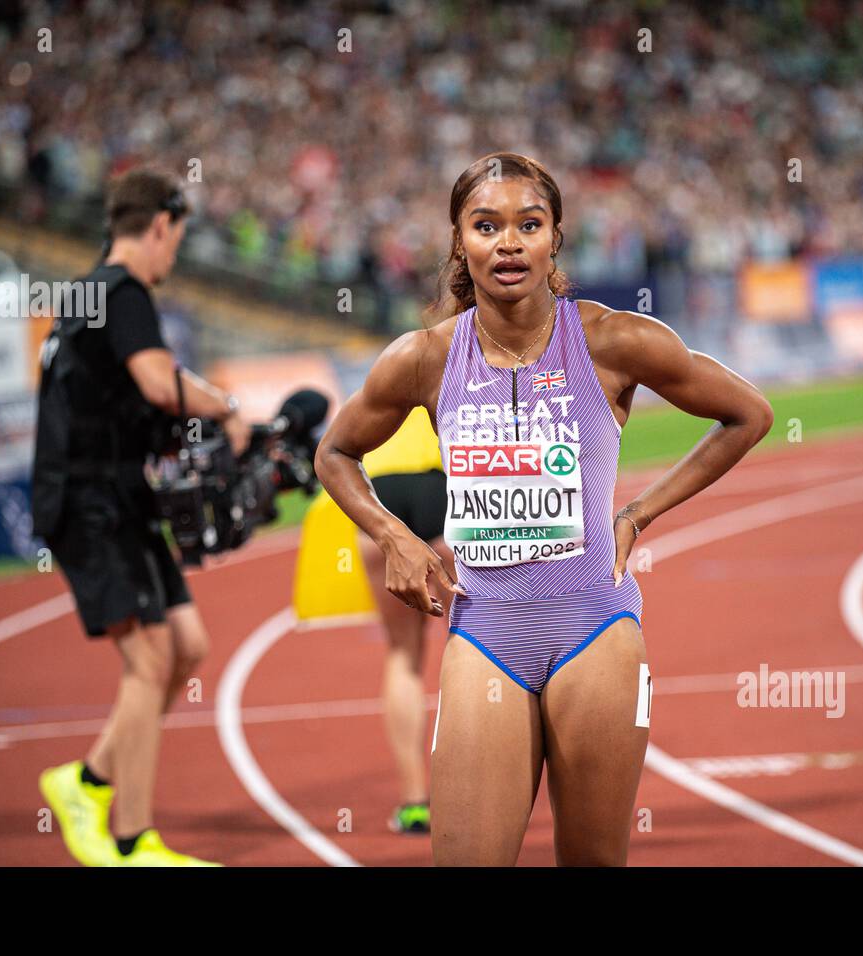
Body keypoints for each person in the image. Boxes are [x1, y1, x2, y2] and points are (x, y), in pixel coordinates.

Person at [314, 152, 773, 865]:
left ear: (555, 237)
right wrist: (391, 533)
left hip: (597, 630)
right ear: (459, 241)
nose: (508, 243)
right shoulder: (425, 358)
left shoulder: (612, 340)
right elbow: (334, 453)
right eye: (486, 225)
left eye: (529, 224)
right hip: (486, 634)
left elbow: (749, 414)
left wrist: (640, 514)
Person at [31, 166, 250, 867]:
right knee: (152, 659)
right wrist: (225, 406)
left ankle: (86, 781)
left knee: (185, 645)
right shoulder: (122, 292)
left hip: (114, 496)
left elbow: (118, 398)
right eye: (176, 240)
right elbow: (159, 383)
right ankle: (132, 843)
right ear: (159, 225)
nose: (174, 255)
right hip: (91, 500)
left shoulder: (84, 292)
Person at [292, 406, 456, 833]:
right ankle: (483, 787)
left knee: (403, 656)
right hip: (436, 489)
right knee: (472, 645)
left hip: (373, 501)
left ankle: (415, 802)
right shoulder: (444, 371)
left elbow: (330, 454)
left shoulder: (372, 393)